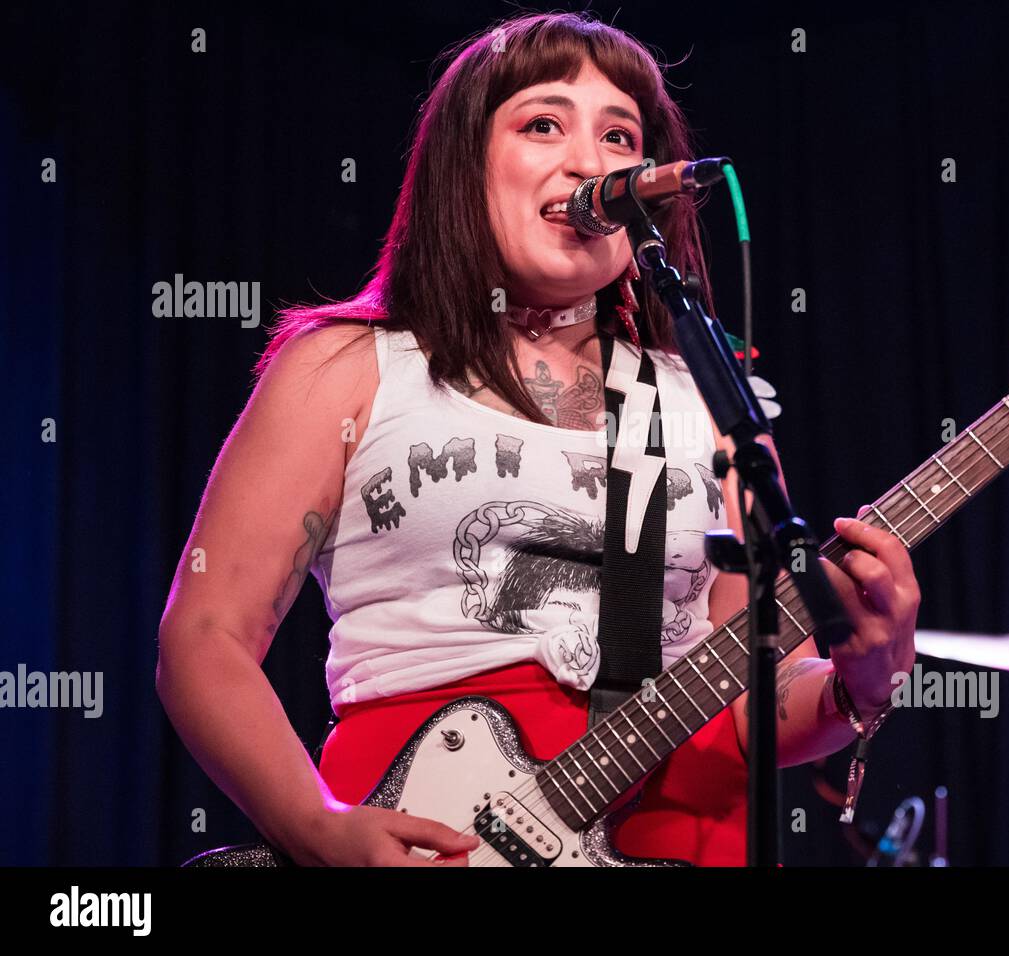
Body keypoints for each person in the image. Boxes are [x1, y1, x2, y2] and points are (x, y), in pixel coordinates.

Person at [155, 11, 919, 867]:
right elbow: (207, 634)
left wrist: (864, 680)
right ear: (464, 165)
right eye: (543, 123)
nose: (591, 162)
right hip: (424, 832)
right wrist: (316, 824)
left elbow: (755, 703)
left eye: (620, 136)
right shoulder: (347, 368)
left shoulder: (710, 400)